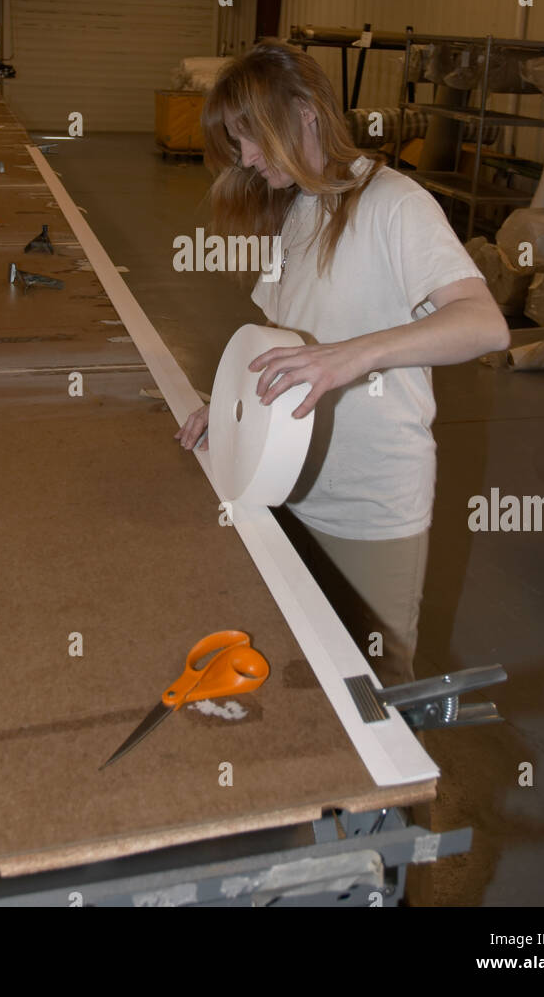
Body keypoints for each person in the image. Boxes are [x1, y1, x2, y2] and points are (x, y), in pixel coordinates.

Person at [175, 39, 510, 685]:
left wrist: (351, 357)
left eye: (251, 138)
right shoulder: (294, 210)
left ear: (303, 113)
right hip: (287, 489)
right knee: (307, 685)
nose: (244, 159)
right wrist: (231, 411)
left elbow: (482, 322)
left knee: (376, 696)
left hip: (369, 510)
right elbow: (278, 337)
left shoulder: (394, 205)